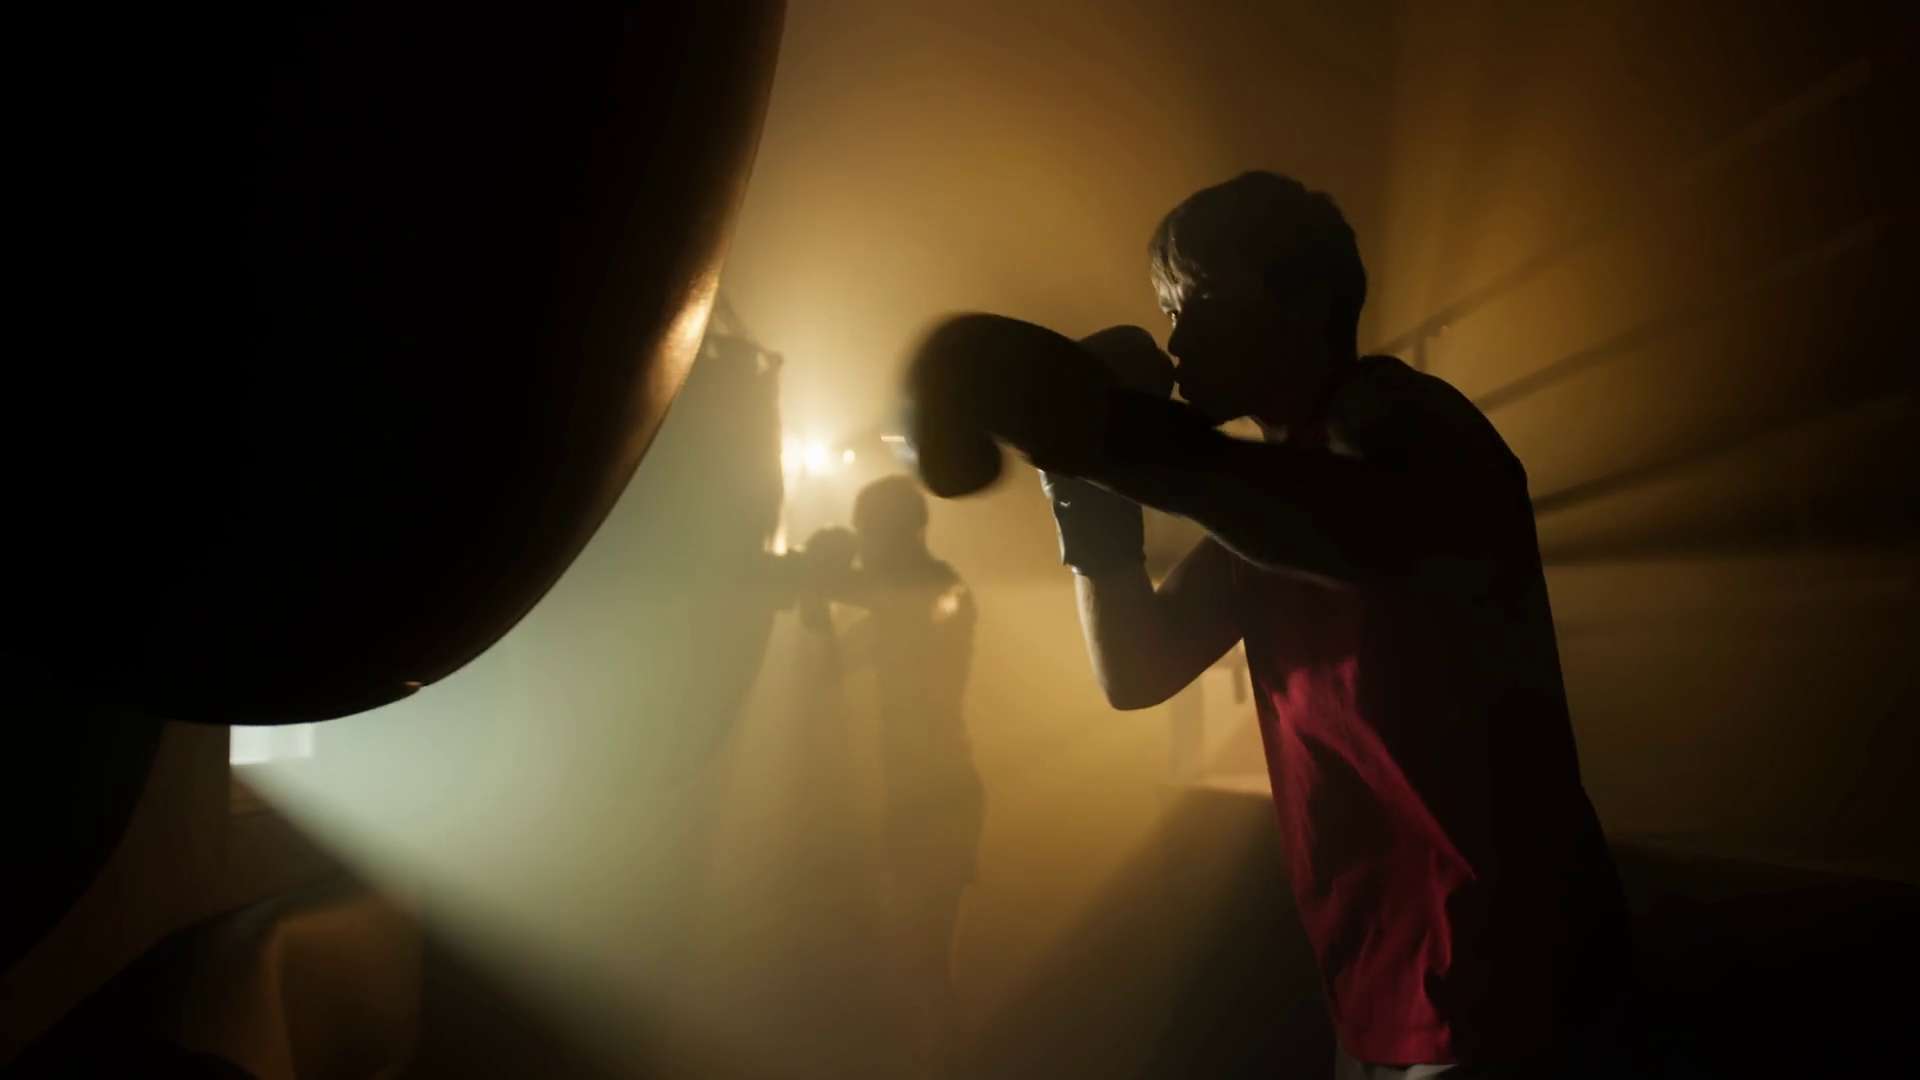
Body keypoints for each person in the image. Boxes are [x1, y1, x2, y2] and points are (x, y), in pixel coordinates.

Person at [908, 171, 1655, 1078]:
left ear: (1305, 307)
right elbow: (1136, 669)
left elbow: (1361, 522)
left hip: (1506, 981)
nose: (1178, 337)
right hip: (1378, 985)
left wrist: (1107, 434)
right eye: (1169, 309)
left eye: (1206, 301)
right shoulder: (1259, 503)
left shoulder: (1402, 416)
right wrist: (1085, 488)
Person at [794, 475, 983, 1079]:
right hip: (917, 796)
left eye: (872, 533)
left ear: (904, 533)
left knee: (927, 971)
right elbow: (828, 669)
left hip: (945, 796)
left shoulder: (944, 588)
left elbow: (904, 601)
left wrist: (826, 579)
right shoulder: (895, 604)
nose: (866, 546)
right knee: (915, 971)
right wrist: (817, 603)